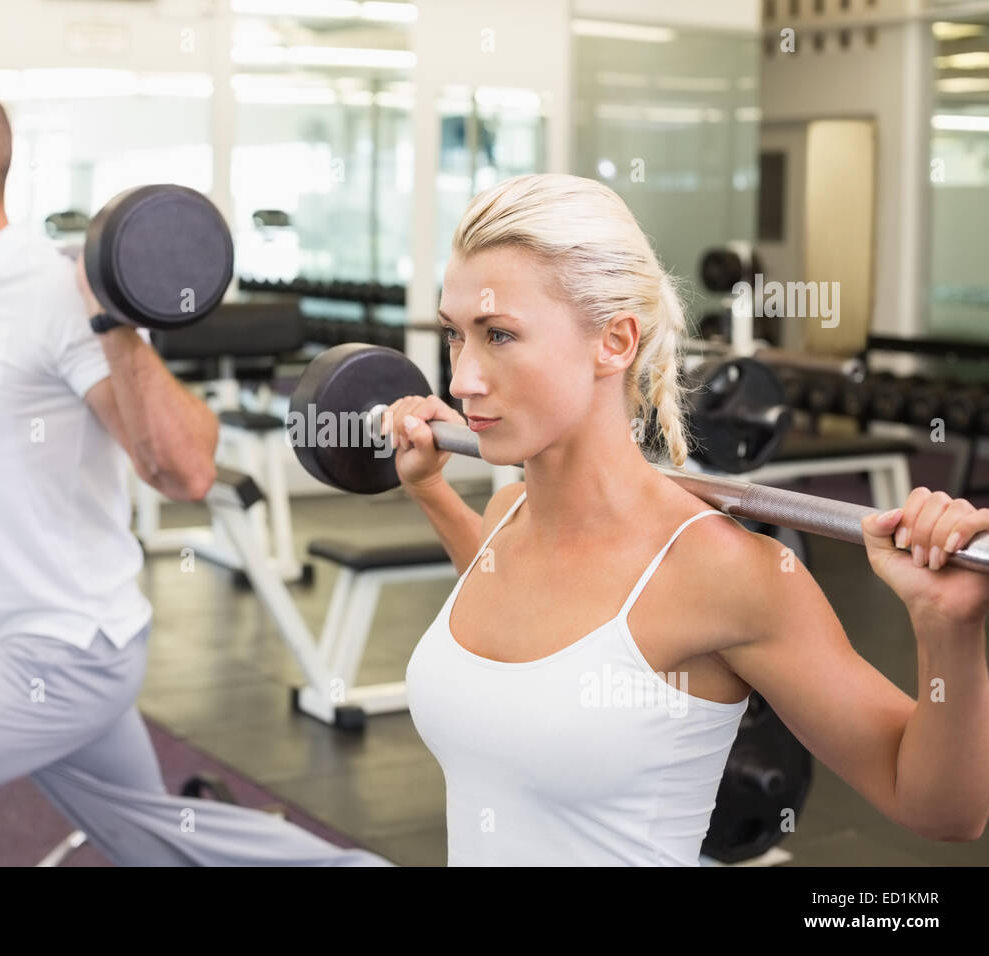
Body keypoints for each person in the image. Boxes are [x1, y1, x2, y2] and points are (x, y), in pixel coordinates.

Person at [0, 75, 388, 867]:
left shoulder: (54, 290)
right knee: (156, 841)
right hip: (40, 639)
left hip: (62, 652)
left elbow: (189, 469)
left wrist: (113, 319)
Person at [381, 172, 989, 866]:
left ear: (613, 342)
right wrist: (430, 490)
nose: (461, 380)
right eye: (455, 336)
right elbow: (525, 638)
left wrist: (949, 629)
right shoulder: (507, 515)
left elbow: (942, 809)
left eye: (500, 335)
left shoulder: (726, 574)